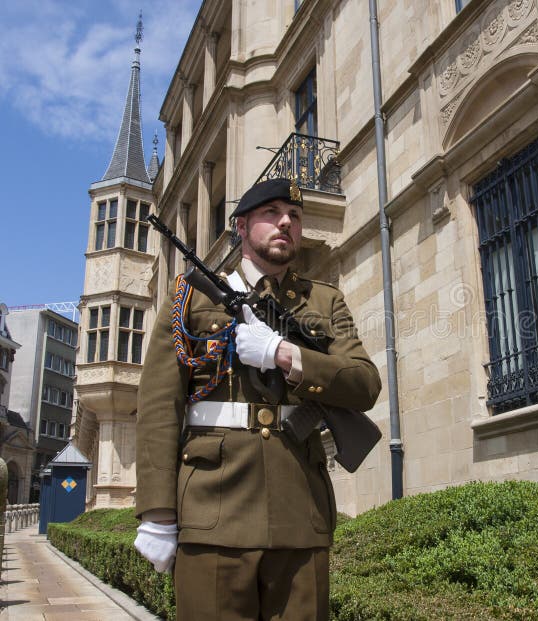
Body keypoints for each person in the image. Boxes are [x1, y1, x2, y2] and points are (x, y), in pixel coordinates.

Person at [134, 177, 382, 620]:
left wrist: (283, 353)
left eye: (295, 217)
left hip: (300, 509)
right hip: (213, 507)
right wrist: (157, 512)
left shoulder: (324, 302)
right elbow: (158, 408)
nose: (286, 222)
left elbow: (364, 383)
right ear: (240, 227)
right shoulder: (189, 297)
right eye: (271, 213)